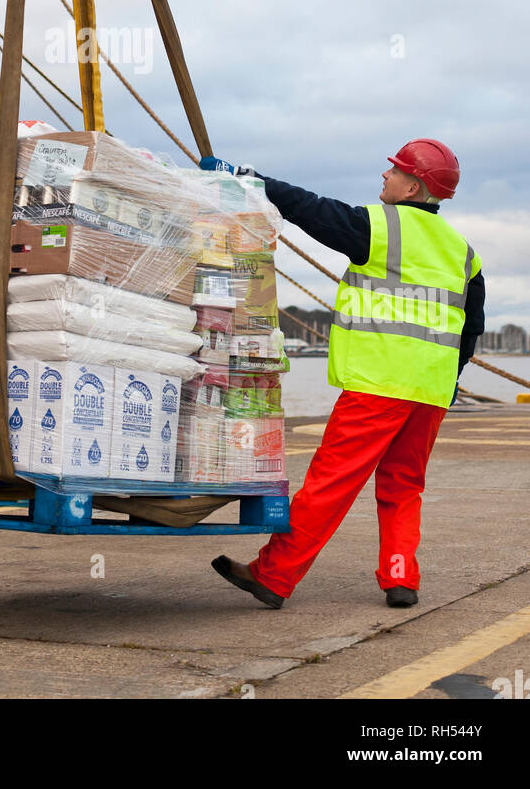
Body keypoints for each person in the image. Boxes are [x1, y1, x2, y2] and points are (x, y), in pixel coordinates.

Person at [202, 139, 485, 609]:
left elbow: (310, 209)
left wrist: (246, 177)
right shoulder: (463, 253)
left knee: (331, 482)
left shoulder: (381, 228)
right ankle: (400, 577)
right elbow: (470, 327)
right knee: (404, 485)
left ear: (414, 186)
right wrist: (448, 380)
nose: (384, 177)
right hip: (430, 391)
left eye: (393, 171)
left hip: (378, 384)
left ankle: (274, 575)